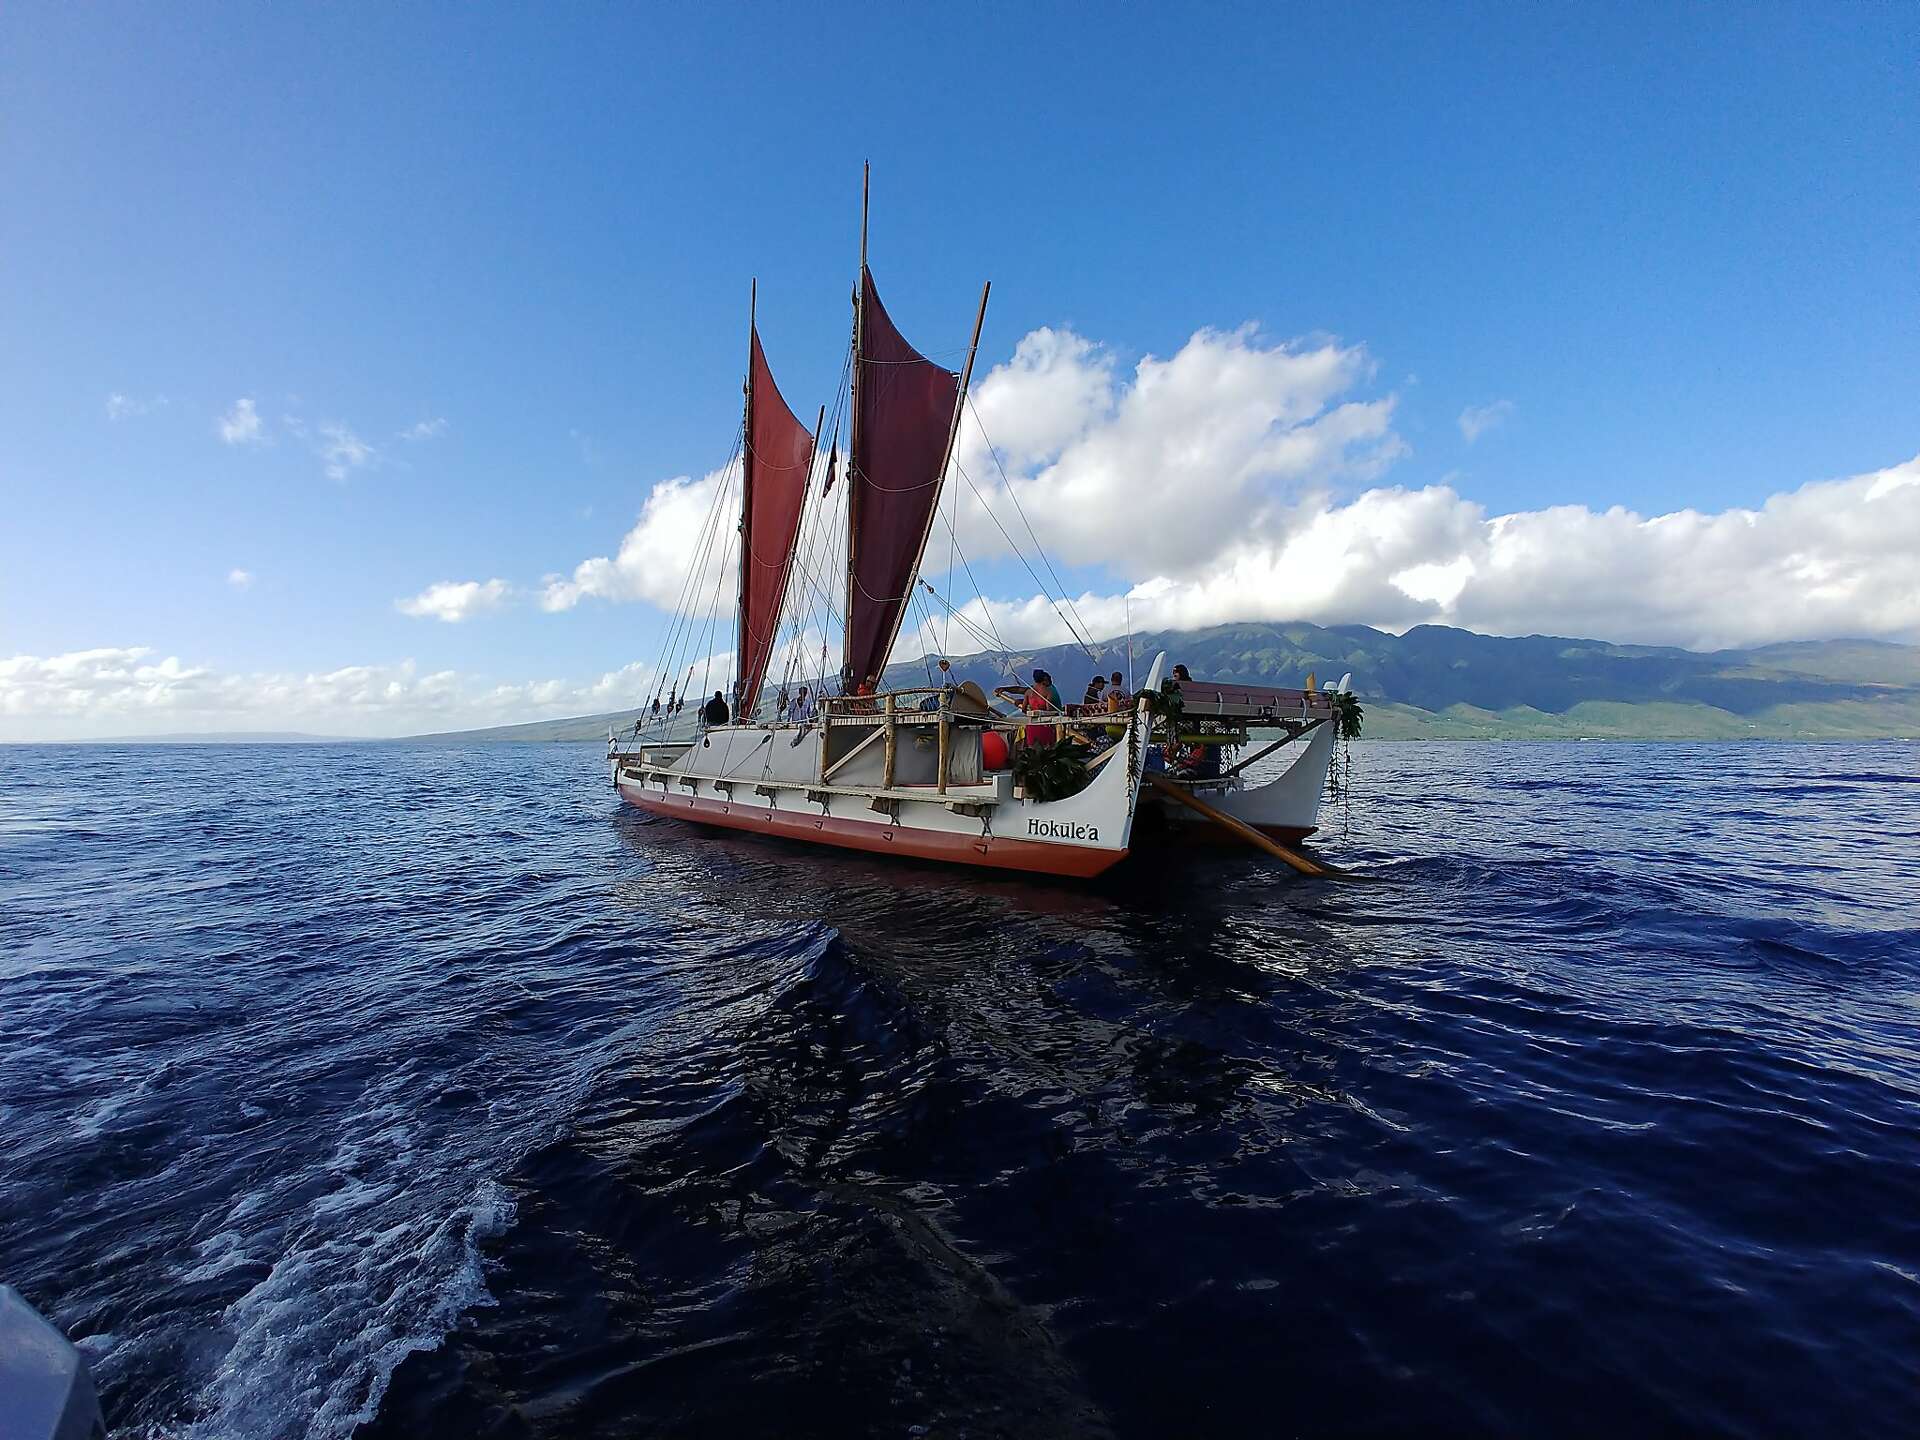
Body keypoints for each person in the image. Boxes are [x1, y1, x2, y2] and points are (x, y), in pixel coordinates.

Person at [1023, 668, 1058, 749]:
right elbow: (1049, 710)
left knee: (1032, 749)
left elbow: (1023, 709)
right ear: (1044, 678)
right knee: (1047, 749)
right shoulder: (1048, 691)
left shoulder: (1028, 692)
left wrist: (1031, 711)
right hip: (1044, 725)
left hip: (1031, 724)